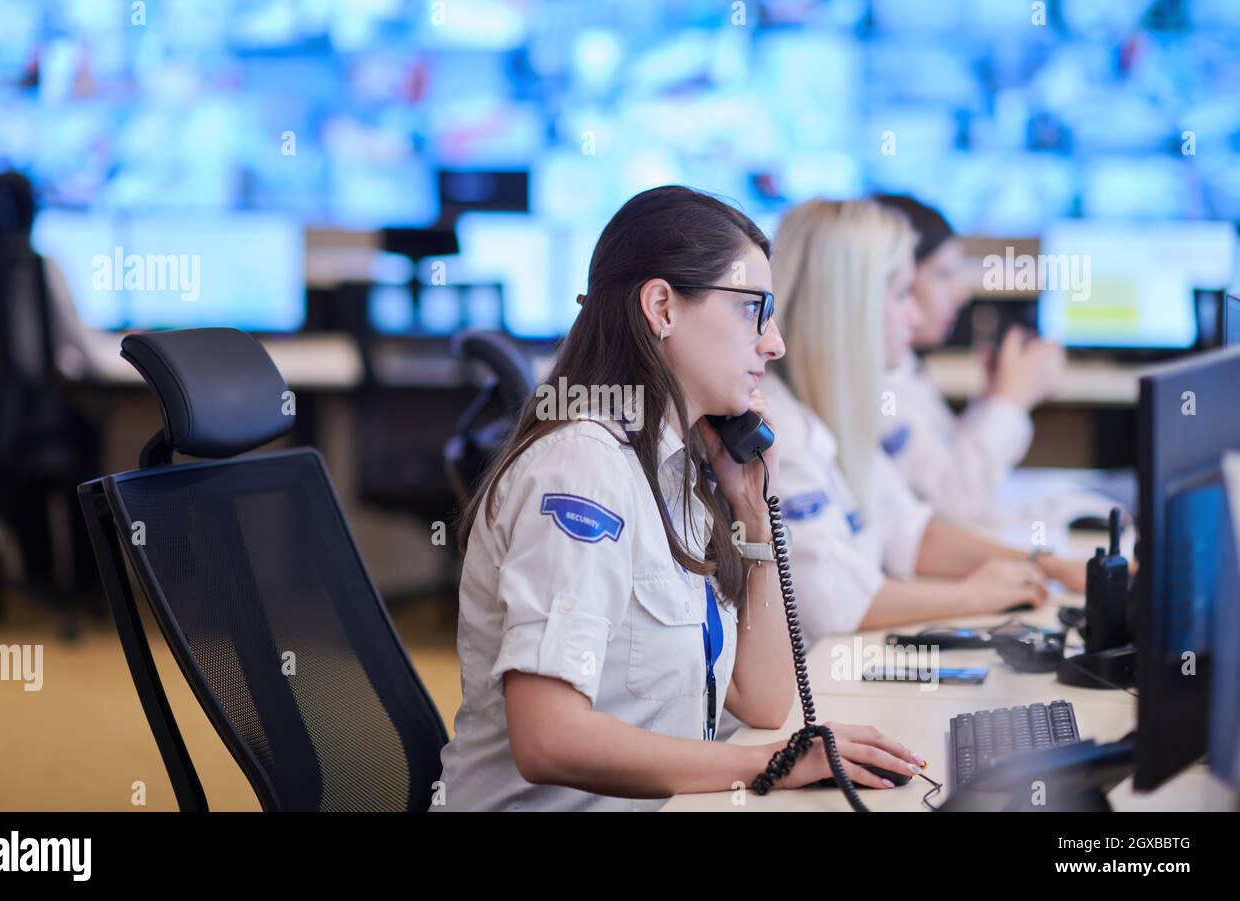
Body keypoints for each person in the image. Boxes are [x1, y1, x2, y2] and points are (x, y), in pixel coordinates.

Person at [433, 186, 924, 811]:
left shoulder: (678, 471)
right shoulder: (583, 470)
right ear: (662, 306)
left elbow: (764, 697)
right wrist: (764, 763)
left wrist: (752, 513)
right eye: (754, 309)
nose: (774, 343)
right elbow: (548, 739)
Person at [763, 198, 1085, 639]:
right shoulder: (783, 428)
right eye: (900, 294)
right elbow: (833, 603)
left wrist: (1047, 566)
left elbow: (909, 531)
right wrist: (973, 596)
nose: (912, 316)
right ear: (850, 309)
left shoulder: (824, 410)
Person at [871, 194, 1065, 525]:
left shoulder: (903, 367)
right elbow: (956, 504)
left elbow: (946, 460)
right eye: (942, 275)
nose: (960, 294)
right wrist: (1011, 399)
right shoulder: (875, 382)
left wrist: (993, 397)